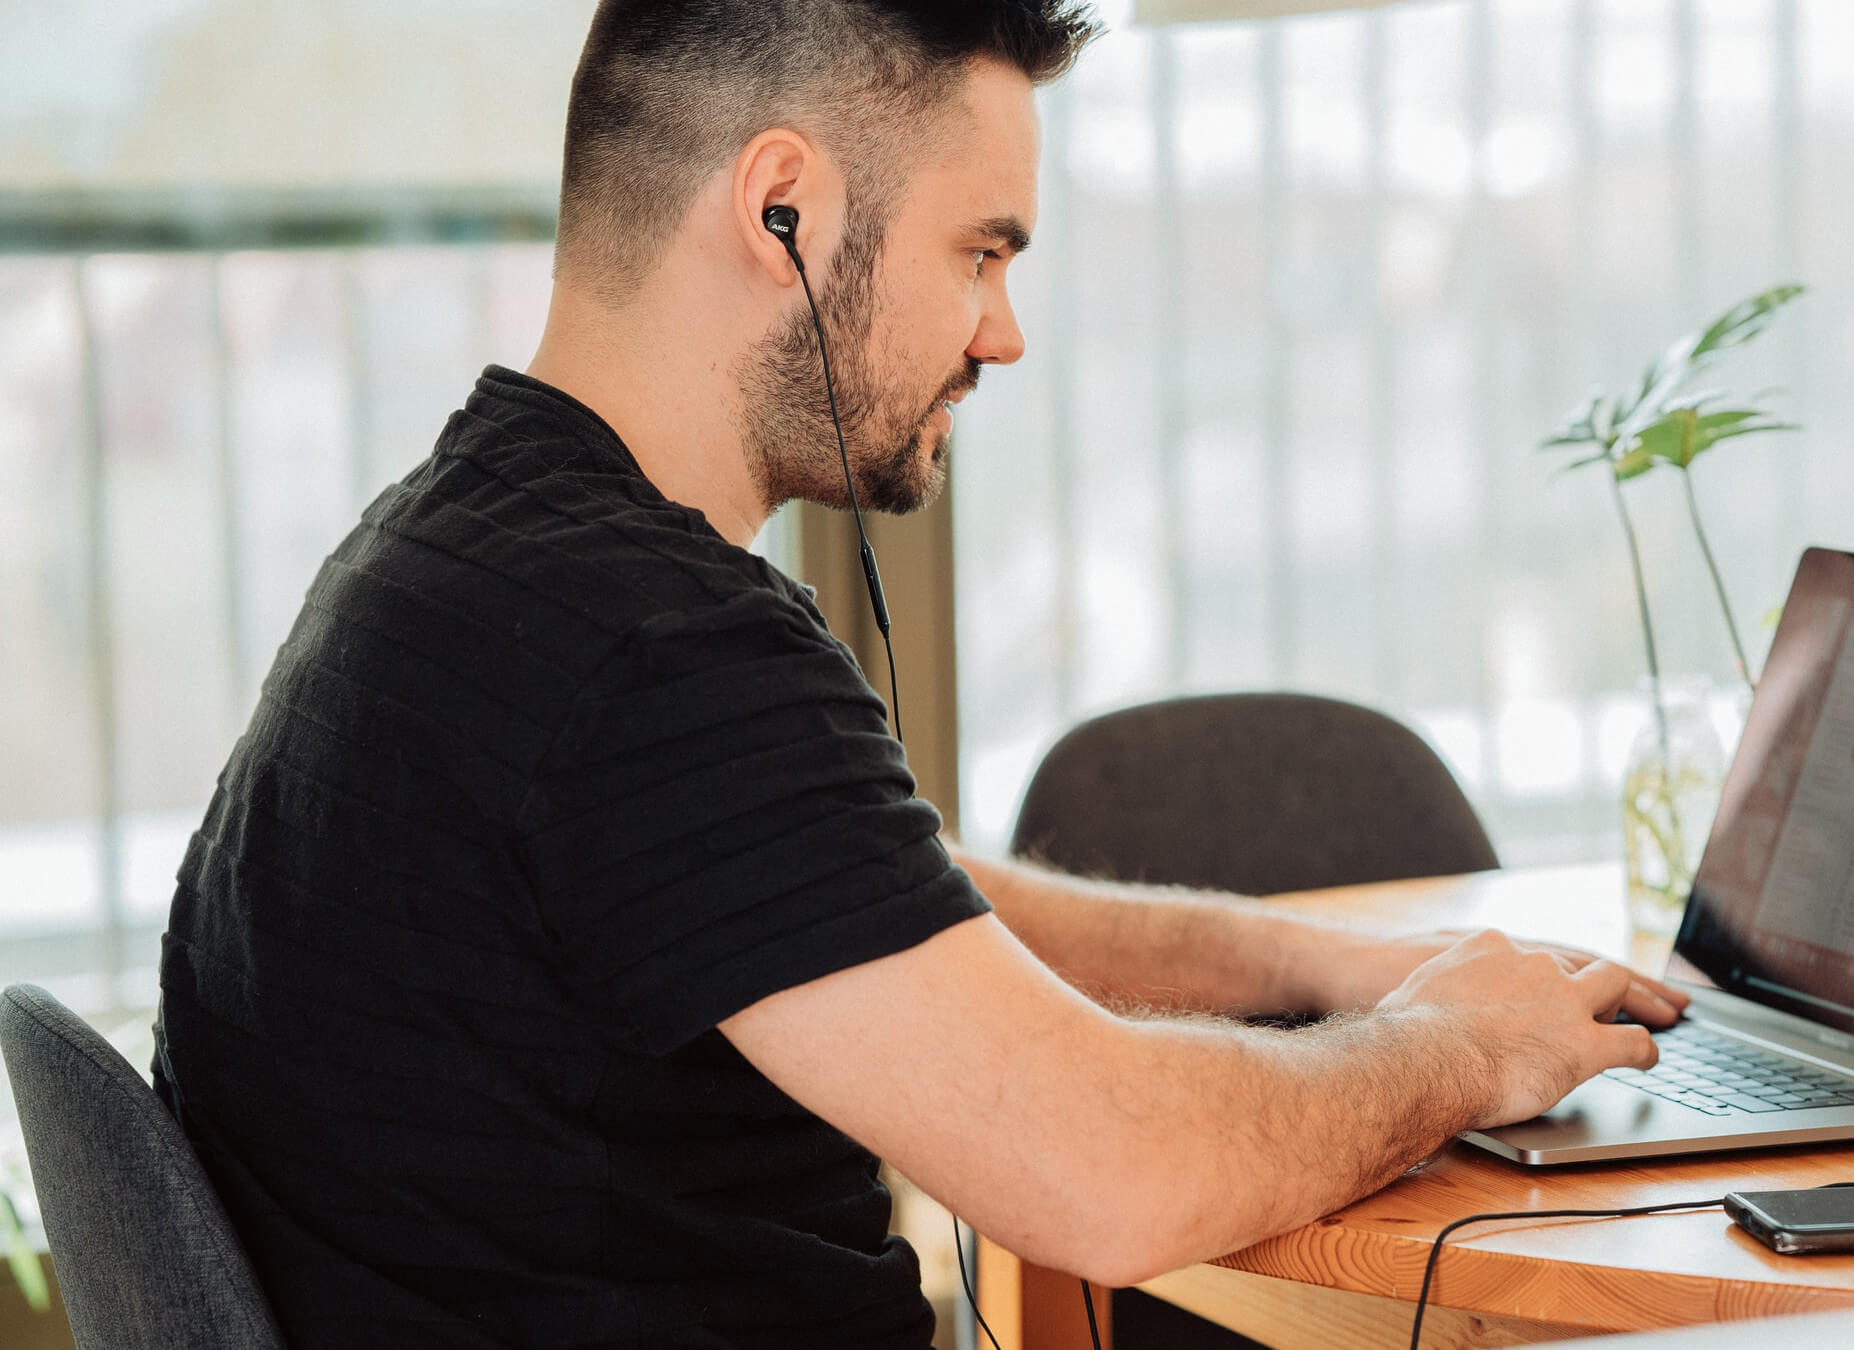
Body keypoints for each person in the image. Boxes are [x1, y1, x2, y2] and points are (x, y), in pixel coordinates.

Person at [154, 2, 1684, 1346]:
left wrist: (1319, 965)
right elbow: (1114, 1172)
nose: (1002, 335)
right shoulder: (655, 646)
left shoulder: (457, 552)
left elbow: (881, 898)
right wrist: (1454, 1047)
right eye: (981, 252)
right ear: (782, 208)